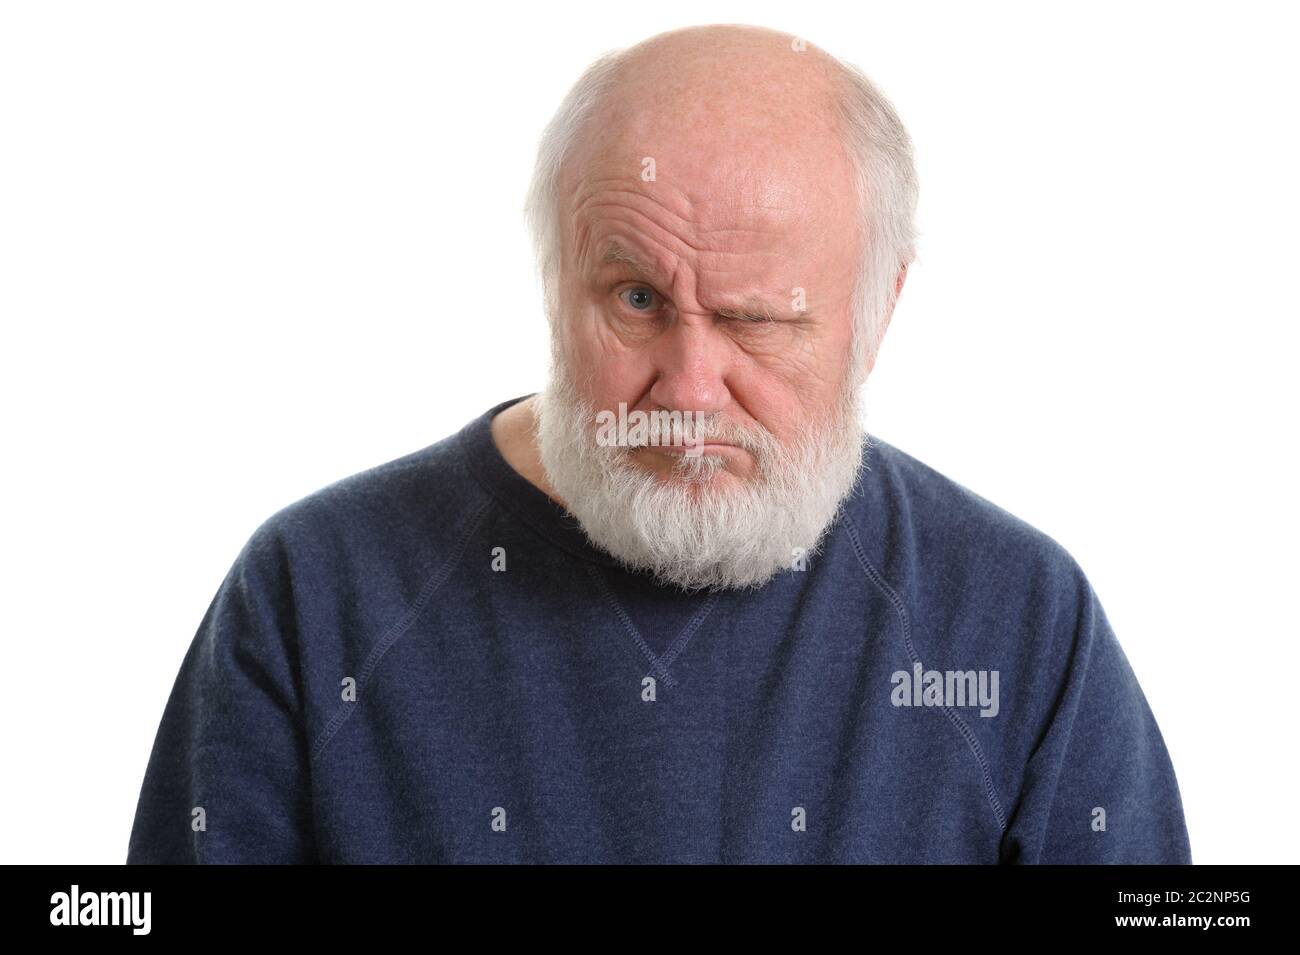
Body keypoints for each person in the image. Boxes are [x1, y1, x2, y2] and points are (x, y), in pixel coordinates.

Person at [127, 23, 1191, 863]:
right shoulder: (313, 596)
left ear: (876, 317)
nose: (686, 389)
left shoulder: (1016, 621)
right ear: (555, 286)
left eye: (758, 319)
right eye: (635, 298)